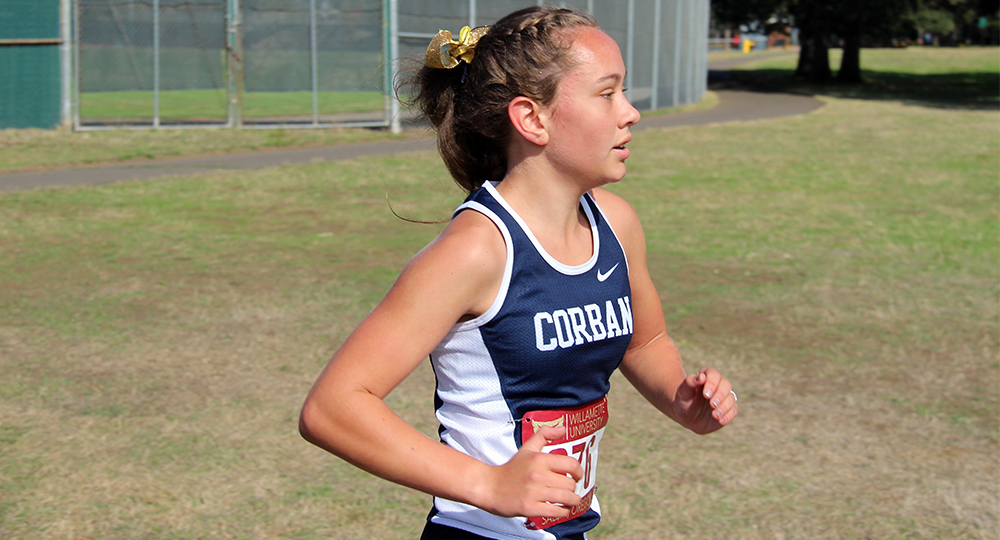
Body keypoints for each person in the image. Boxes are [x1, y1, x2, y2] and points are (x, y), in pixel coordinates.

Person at [299, 6, 738, 540]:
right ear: (532, 119)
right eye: (607, 93)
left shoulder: (616, 224)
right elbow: (333, 407)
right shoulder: (475, 252)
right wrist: (488, 485)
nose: (631, 113)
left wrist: (681, 400)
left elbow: (644, 342)